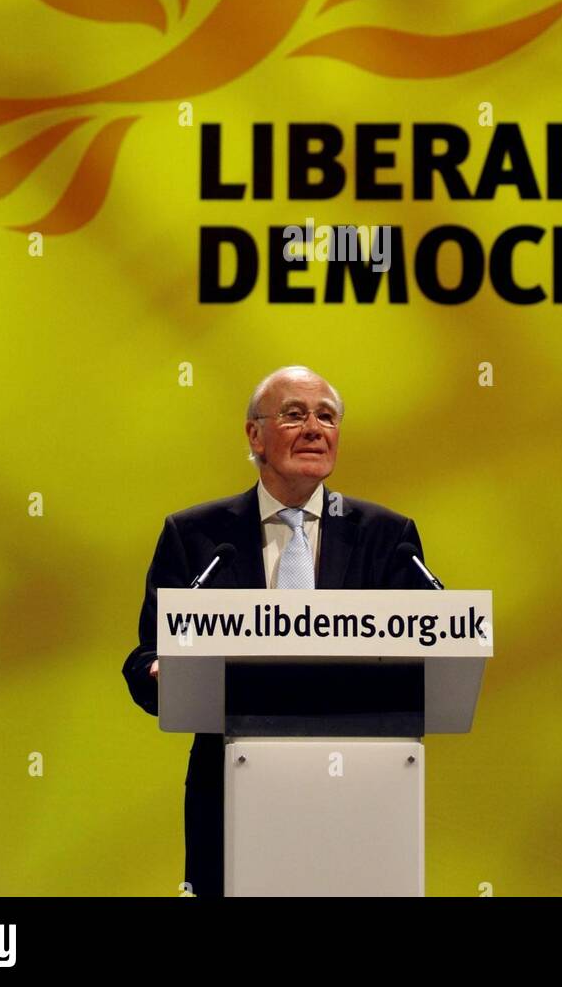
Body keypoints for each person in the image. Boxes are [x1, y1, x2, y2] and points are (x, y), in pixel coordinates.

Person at [121, 364, 428, 898]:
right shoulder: (196, 536)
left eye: (327, 417)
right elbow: (147, 654)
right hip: (231, 784)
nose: (315, 428)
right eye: (294, 414)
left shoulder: (387, 537)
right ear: (254, 434)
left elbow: (427, 646)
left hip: (360, 789)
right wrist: (155, 670)